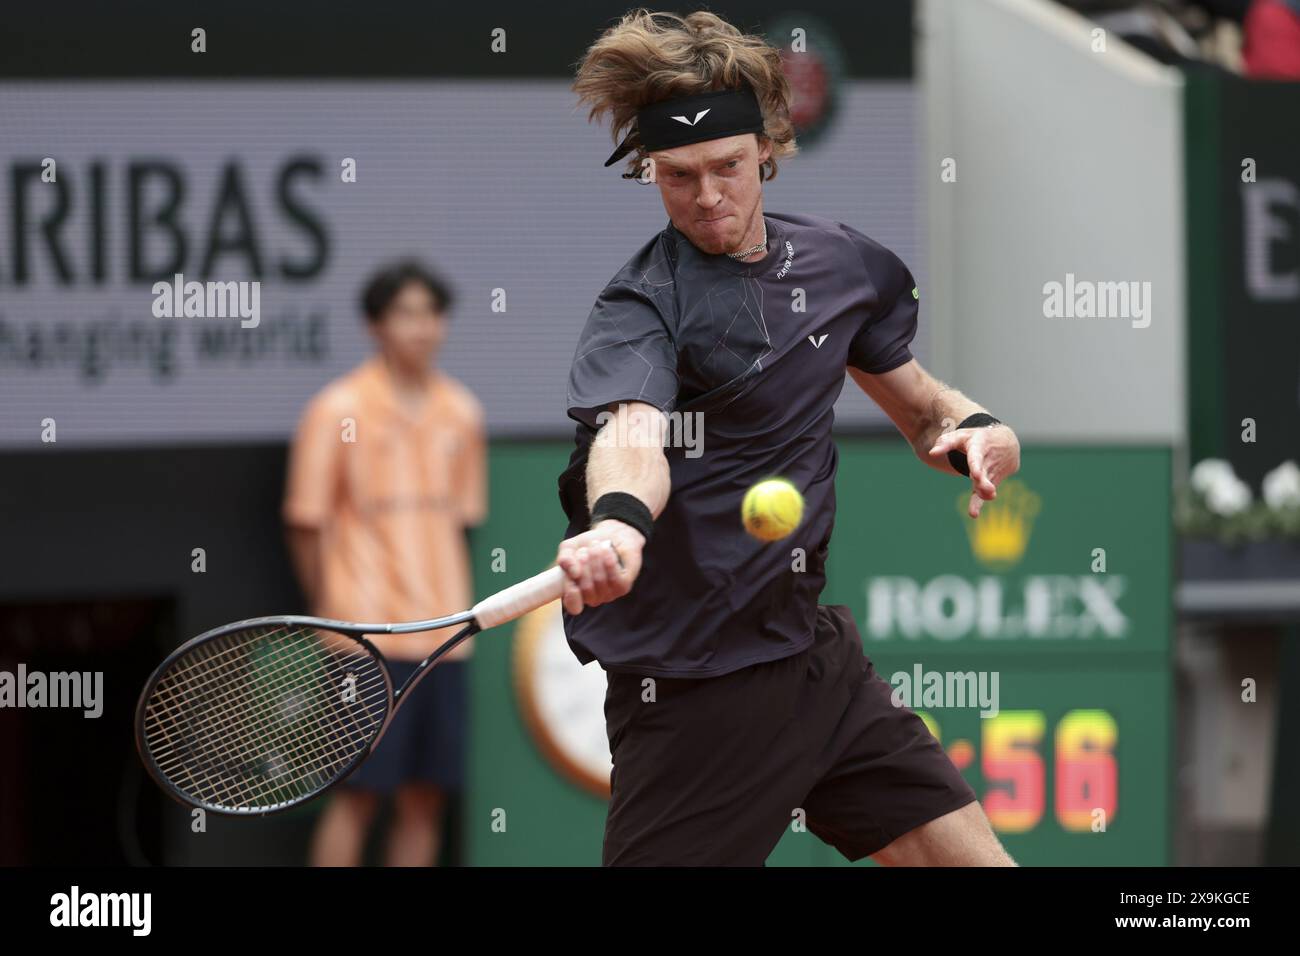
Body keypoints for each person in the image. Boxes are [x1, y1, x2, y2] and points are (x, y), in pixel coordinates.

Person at [555, 11, 1021, 866]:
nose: (708, 196)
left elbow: (926, 411)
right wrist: (618, 521)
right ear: (651, 172)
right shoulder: (641, 304)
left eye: (727, 166)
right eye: (679, 175)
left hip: (813, 660)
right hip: (695, 689)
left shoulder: (843, 267)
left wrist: (977, 431)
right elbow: (632, 432)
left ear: (767, 148)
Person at [283, 260, 486, 866]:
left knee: (425, 800)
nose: (421, 328)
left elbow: (463, 519)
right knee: (357, 796)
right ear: (375, 325)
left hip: (445, 640)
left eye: (431, 314)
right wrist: (332, 610)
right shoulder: (335, 409)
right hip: (363, 641)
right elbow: (306, 522)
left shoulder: (462, 412)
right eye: (405, 314)